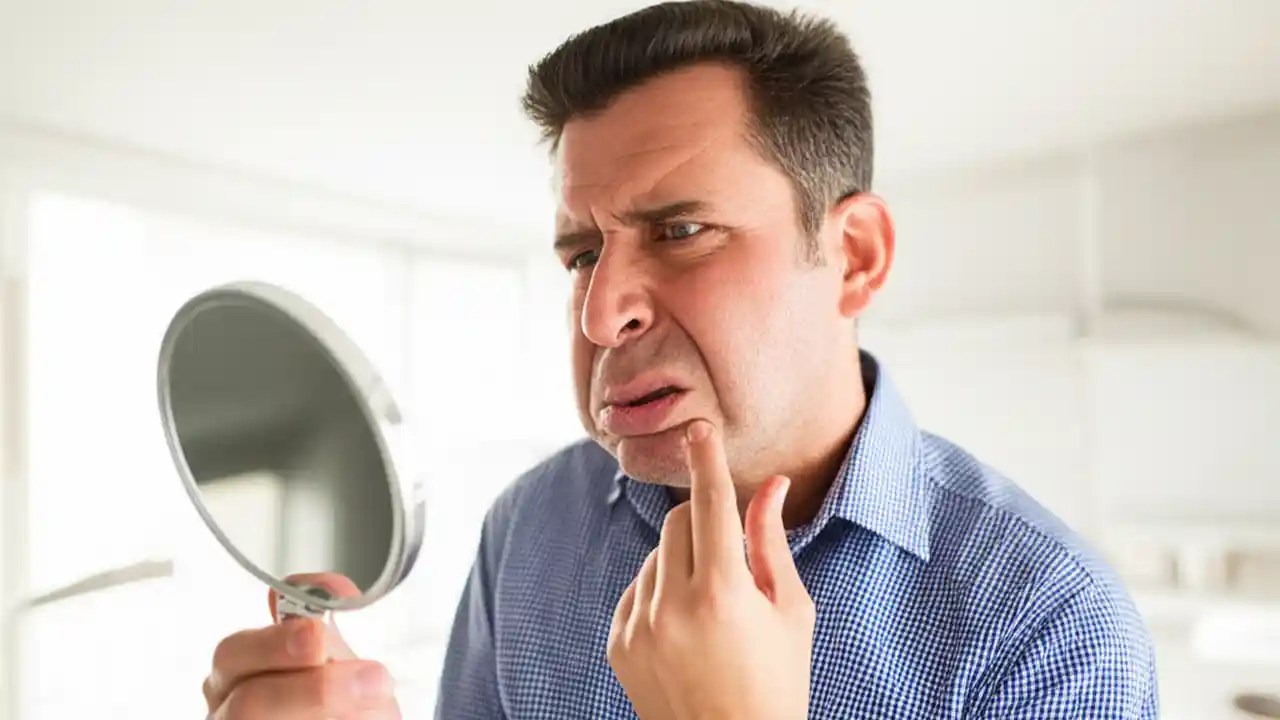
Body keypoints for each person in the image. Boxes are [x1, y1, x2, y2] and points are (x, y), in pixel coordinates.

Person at [202, 1, 1160, 717]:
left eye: (682, 229)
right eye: (582, 253)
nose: (600, 313)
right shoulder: (527, 531)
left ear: (855, 258)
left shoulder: (1049, 628)